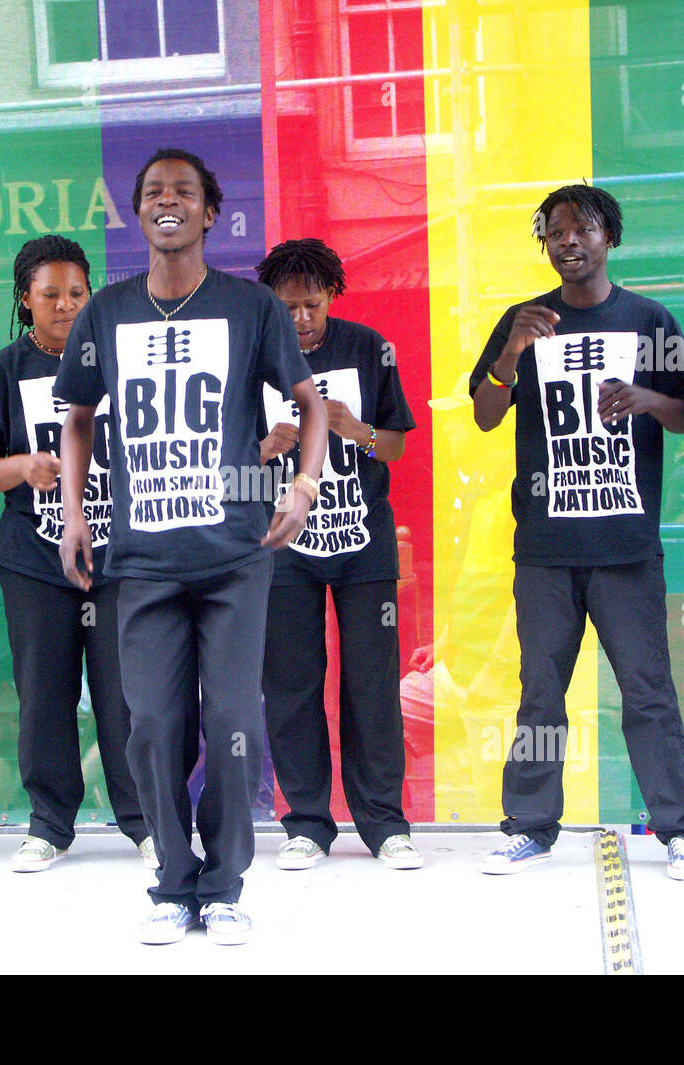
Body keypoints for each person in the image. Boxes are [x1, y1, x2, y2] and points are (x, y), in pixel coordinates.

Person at [54, 148, 327, 945]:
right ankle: (173, 881)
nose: (166, 201)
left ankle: (227, 879)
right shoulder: (106, 313)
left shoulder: (251, 307)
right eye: (152, 192)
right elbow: (78, 416)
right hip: (140, 563)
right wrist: (76, 512)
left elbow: (308, 403)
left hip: (235, 557)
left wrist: (303, 487)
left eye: (183, 191)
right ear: (137, 214)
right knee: (151, 725)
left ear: (211, 212)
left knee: (237, 717)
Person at [470, 184, 684, 878]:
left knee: (646, 689)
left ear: (610, 236)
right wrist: (512, 349)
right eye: (554, 232)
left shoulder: (647, 318)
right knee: (541, 692)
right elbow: (488, 413)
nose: (568, 242)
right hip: (546, 547)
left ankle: (681, 829)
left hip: (624, 547)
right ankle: (528, 825)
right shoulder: (523, 320)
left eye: (583, 230)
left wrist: (646, 399)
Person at [0, 235, 152, 871]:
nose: (67, 305)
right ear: (25, 300)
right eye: (51, 295)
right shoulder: (2, 371)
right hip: (35, 560)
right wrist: (22, 465)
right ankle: (50, 823)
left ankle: (144, 821)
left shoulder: (122, 360)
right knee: (42, 692)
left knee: (124, 692)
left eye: (77, 292)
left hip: (116, 554)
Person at [254, 237, 421, 870]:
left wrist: (357, 431)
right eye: (289, 306)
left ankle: (384, 823)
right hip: (282, 545)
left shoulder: (368, 348)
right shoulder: (251, 353)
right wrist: (268, 446)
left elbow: (398, 448)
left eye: (312, 305)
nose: (301, 318)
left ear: (331, 297)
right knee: (292, 684)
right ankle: (306, 824)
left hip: (362, 542)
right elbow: (226, 458)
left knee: (373, 684)